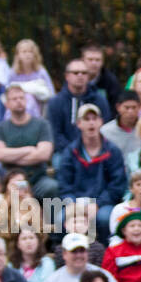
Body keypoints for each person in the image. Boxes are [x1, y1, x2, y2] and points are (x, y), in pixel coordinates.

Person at [58, 103, 127, 243]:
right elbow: (64, 184)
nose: (91, 123)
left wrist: (98, 204)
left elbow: (117, 185)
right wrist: (72, 204)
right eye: (86, 119)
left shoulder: (113, 151)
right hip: (75, 202)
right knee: (61, 219)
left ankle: (103, 255)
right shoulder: (70, 152)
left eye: (94, 118)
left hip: (103, 204)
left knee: (104, 218)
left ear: (101, 122)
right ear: (79, 124)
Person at [0, 84, 59, 200]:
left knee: (51, 187)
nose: (19, 101)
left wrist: (11, 156)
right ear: (7, 104)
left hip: (37, 178)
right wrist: (29, 149)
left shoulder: (42, 124)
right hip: (10, 180)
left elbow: (44, 154)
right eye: (14, 99)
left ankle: (51, 218)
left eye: (21, 98)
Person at [46, 59, 110, 153]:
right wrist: (75, 153)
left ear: (88, 76)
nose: (80, 75)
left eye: (84, 73)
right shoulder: (56, 102)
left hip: (96, 151)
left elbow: (105, 128)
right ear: (67, 76)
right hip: (65, 152)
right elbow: (55, 134)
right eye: (76, 73)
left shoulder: (99, 100)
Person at [7, 39, 56, 118]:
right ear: (18, 55)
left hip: (38, 107)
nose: (27, 54)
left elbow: (51, 93)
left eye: (30, 52)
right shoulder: (13, 73)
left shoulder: (41, 72)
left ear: (35, 55)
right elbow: (8, 91)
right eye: (24, 52)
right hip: (16, 107)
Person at [100, 89, 141, 163]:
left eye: (134, 107)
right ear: (118, 107)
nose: (130, 111)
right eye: (127, 108)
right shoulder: (105, 131)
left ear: (139, 107)